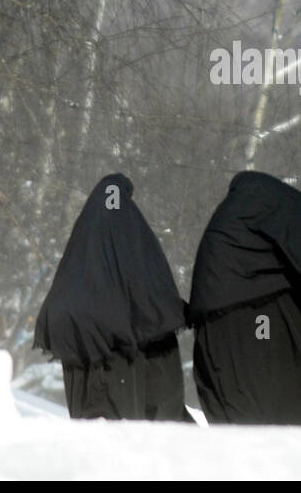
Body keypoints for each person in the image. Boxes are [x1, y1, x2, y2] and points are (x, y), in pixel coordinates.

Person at [188, 170, 301, 426]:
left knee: (245, 399)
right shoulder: (259, 202)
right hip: (251, 309)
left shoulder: (235, 213)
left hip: (216, 323)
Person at [33, 173, 191, 421]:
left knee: (92, 423)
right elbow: (152, 291)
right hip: (125, 356)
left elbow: (63, 299)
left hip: (83, 344)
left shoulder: (83, 234)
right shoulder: (134, 231)